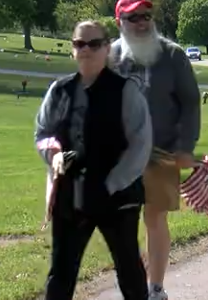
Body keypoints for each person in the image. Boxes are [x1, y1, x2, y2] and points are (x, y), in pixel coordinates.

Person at [35, 20, 153, 300]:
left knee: (129, 270)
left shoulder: (126, 91)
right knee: (61, 273)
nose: (86, 49)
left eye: (94, 43)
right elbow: (43, 132)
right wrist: (52, 153)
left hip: (117, 196)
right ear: (73, 50)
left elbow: (140, 145)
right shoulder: (59, 90)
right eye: (79, 43)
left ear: (106, 48)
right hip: (71, 195)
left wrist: (112, 183)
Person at [110, 0, 202, 300]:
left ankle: (156, 288)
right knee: (121, 222)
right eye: (133, 18)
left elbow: (190, 104)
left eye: (146, 16)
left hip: (160, 152)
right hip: (118, 155)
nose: (141, 23)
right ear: (119, 22)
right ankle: (132, 281)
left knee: (154, 217)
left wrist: (186, 145)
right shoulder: (110, 57)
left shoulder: (172, 55)